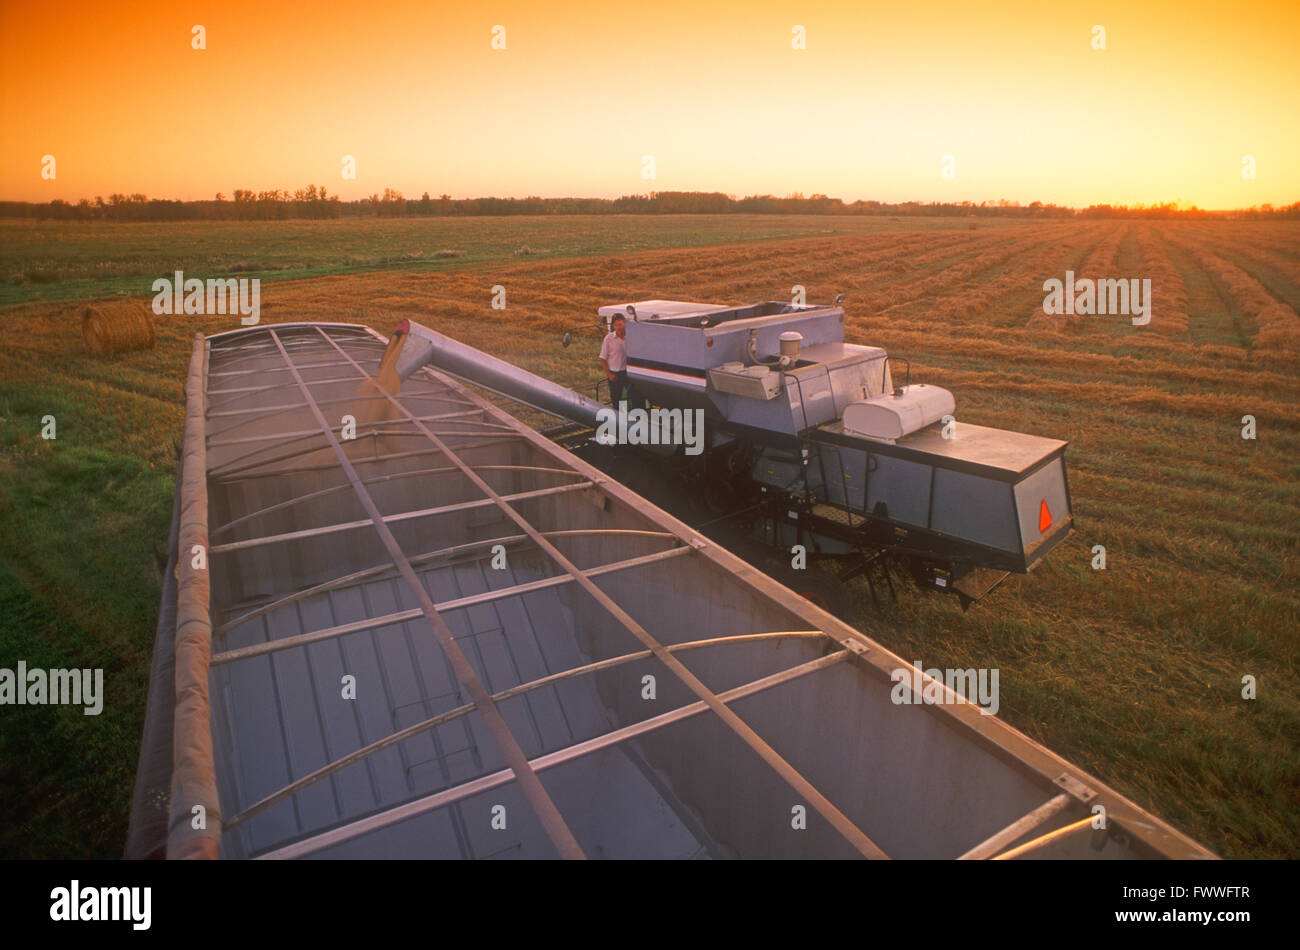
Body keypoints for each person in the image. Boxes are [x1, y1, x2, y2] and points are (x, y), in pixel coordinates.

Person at [599, 315, 631, 407]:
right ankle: (618, 419)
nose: (619, 327)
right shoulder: (608, 339)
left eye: (620, 324)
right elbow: (602, 357)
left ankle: (635, 418)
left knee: (634, 395)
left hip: (628, 373)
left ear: (624, 324)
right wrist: (609, 375)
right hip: (615, 374)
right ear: (613, 326)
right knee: (616, 399)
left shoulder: (630, 336)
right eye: (616, 325)